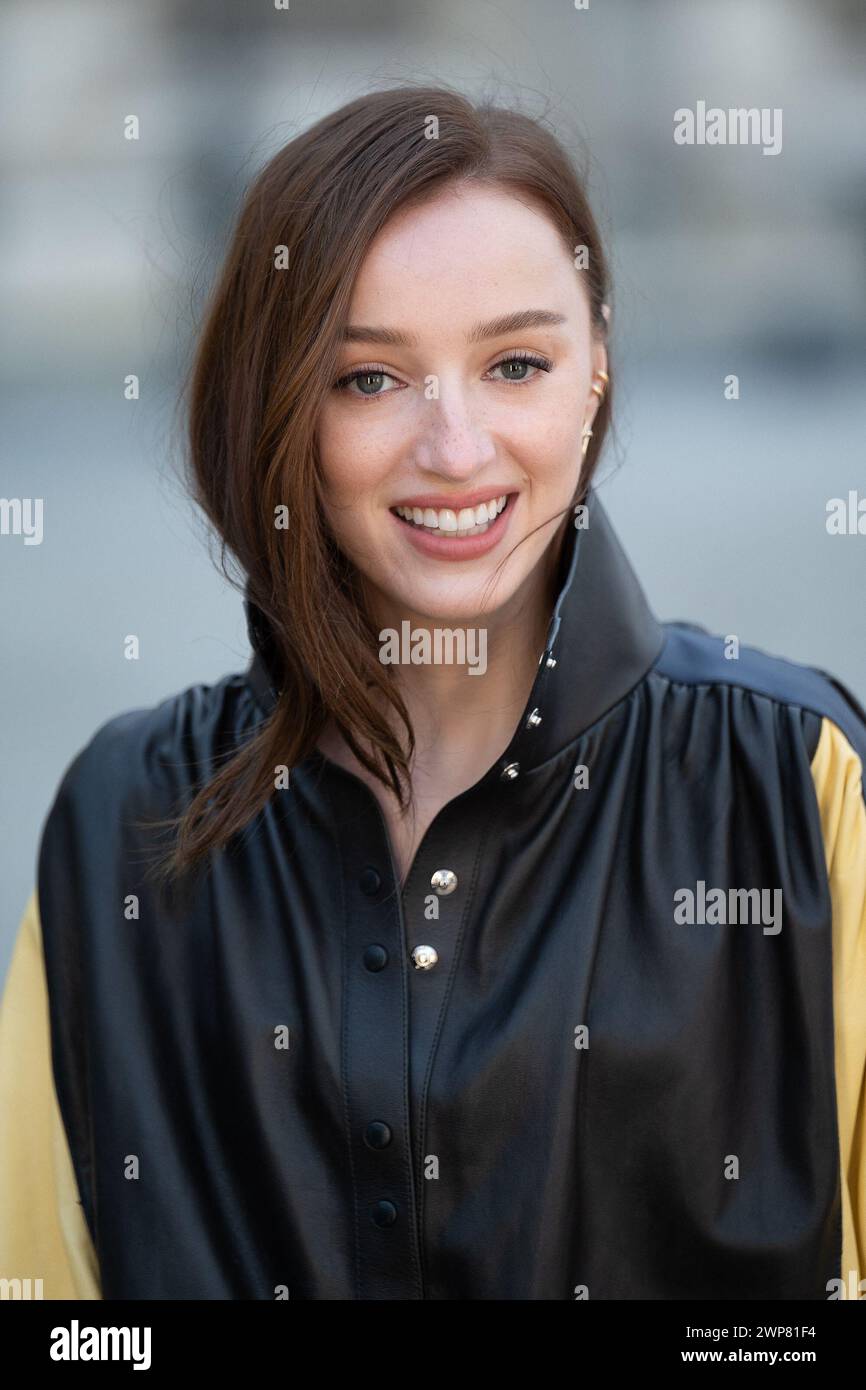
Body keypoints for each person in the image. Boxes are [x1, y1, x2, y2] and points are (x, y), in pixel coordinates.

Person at [1, 84, 865, 1301]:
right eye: (368, 380)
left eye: (515, 363)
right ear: (277, 405)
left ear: (596, 367)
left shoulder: (799, 787)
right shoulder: (115, 824)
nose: (454, 449)